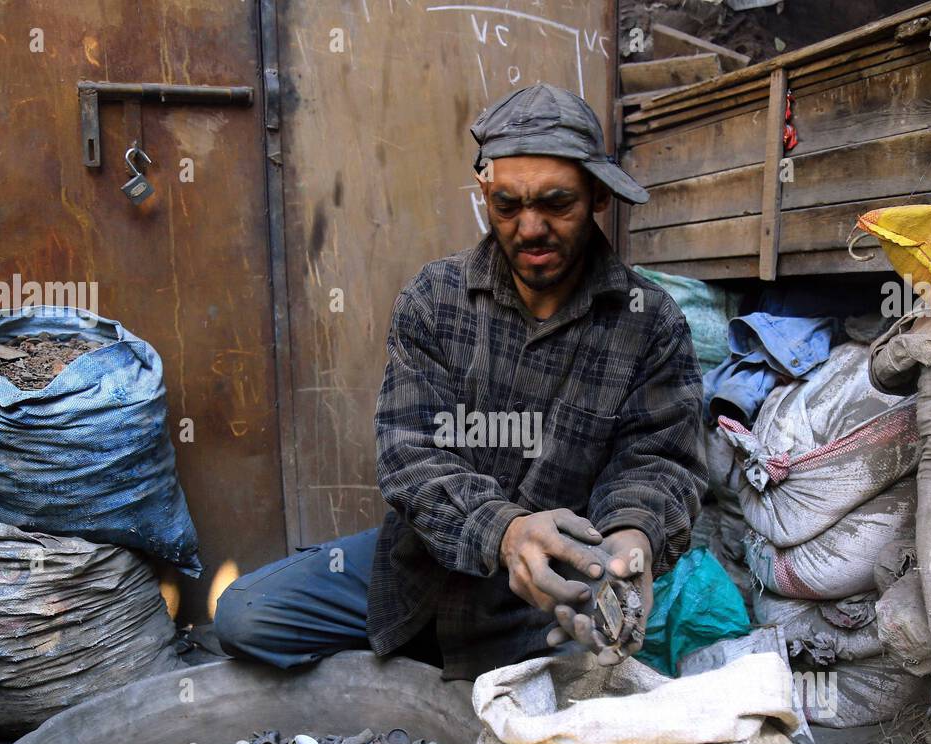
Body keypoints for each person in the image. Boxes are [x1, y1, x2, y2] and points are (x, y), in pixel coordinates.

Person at [214, 83, 707, 680]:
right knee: (246, 614)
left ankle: (454, 682)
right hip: (422, 572)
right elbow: (409, 455)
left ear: (599, 195)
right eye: (506, 205)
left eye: (557, 204)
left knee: (575, 721)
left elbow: (657, 462)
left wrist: (629, 547)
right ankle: (409, 675)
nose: (530, 229)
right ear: (484, 190)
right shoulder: (435, 298)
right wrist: (505, 531)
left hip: (550, 598)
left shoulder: (648, 320)